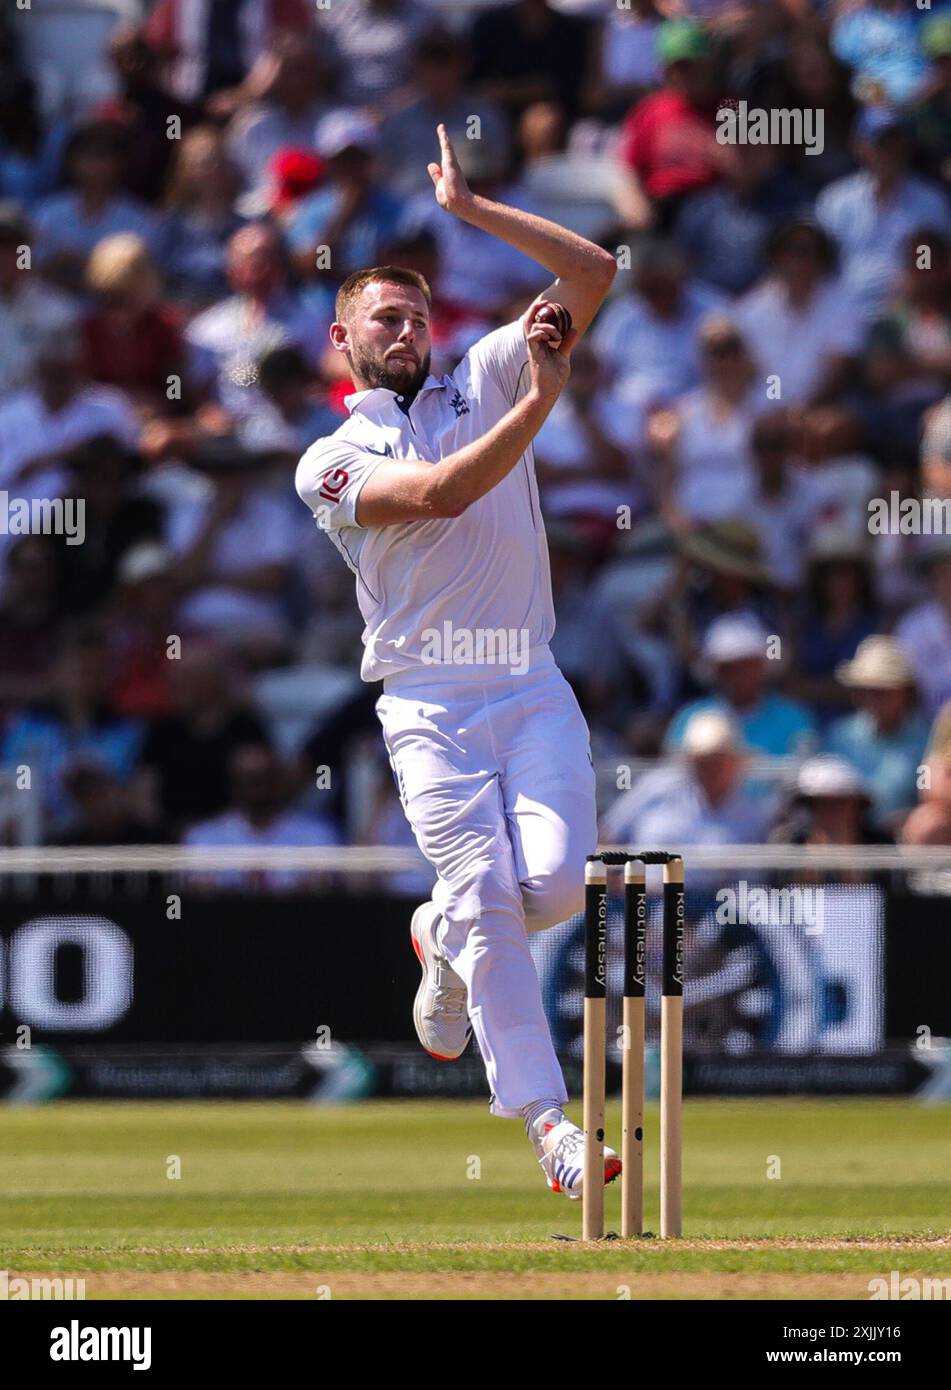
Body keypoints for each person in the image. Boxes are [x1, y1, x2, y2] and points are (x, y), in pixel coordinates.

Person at [295, 124, 619, 1203]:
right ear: (342, 339)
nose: (409, 328)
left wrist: (474, 212)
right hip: (426, 702)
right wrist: (540, 401)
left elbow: (594, 271)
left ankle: (438, 933)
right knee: (484, 885)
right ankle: (548, 1126)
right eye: (386, 316)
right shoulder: (332, 460)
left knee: (553, 885)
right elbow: (439, 497)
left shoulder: (480, 374)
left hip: (529, 682)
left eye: (420, 313)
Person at [826, 635, 929, 832]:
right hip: (846, 838)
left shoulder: (924, 742)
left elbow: (929, 803)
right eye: (868, 690)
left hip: (901, 843)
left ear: (905, 693)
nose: (874, 698)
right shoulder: (840, 736)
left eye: (883, 690)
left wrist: (909, 817)